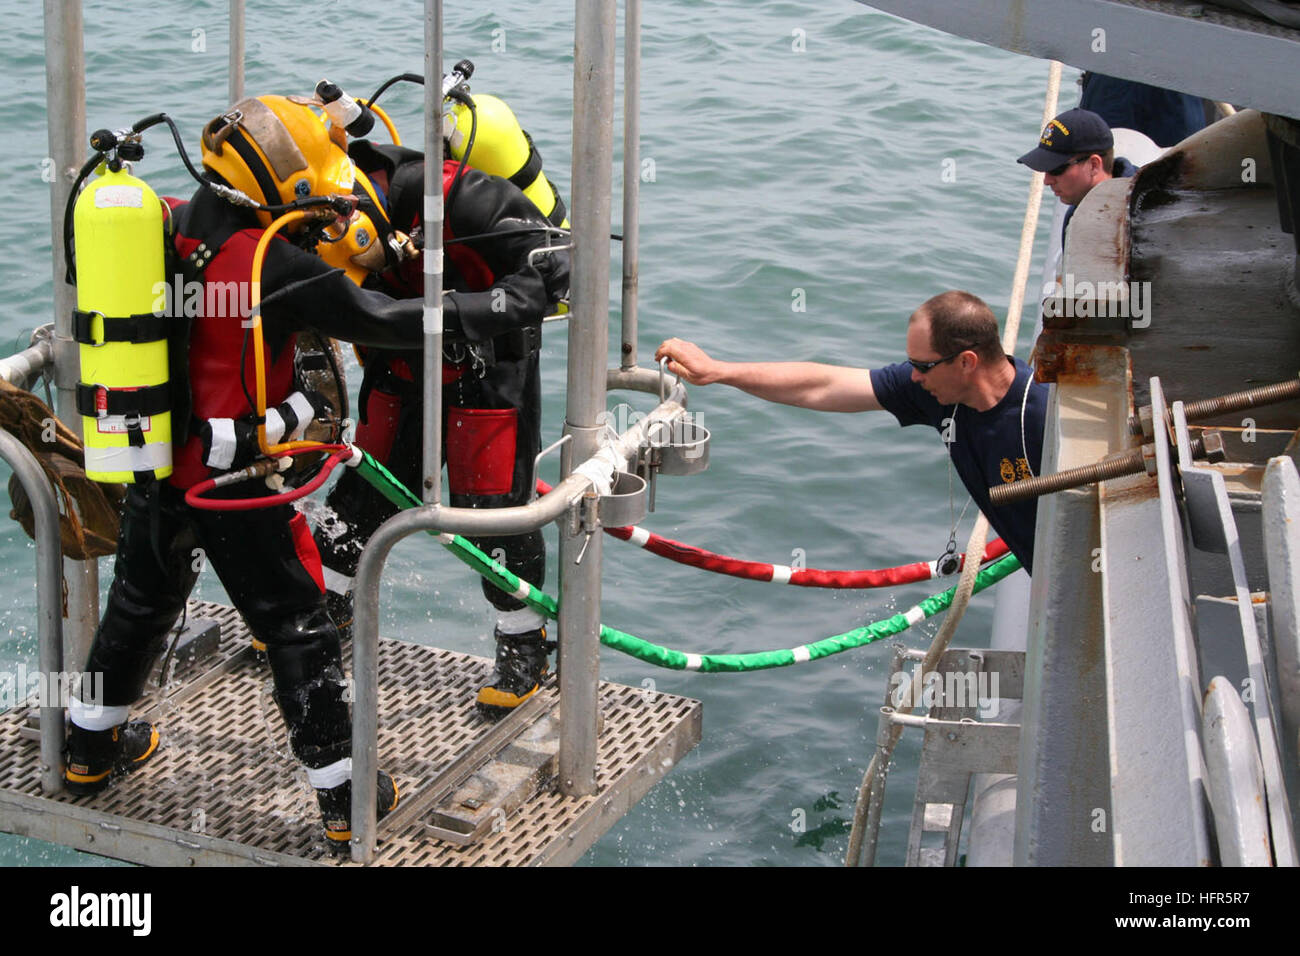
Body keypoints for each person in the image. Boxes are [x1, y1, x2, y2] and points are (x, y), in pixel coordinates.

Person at [64, 95, 441, 849]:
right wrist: (498, 303)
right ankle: (347, 800)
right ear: (274, 181)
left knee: (140, 603)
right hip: (235, 483)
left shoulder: (164, 222)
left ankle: (88, 749)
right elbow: (380, 319)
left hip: (157, 460)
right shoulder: (271, 262)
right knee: (299, 629)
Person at [312, 136, 569, 721]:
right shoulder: (312, 216)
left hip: (489, 370)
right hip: (398, 362)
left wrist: (471, 311)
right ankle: (329, 607)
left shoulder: (461, 195)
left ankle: (523, 642)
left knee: (493, 512)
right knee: (361, 489)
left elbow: (557, 265)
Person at [655, 291, 1046, 573]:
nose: (912, 376)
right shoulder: (938, 392)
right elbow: (820, 385)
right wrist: (718, 371)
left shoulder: (1042, 418)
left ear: (966, 362)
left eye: (922, 366)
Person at [1017, 107, 1139, 242]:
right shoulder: (1075, 215)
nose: (1047, 181)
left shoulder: (1141, 214)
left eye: (1057, 169)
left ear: (1094, 165)